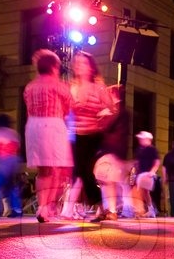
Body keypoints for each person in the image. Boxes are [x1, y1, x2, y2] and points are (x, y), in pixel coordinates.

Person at [61, 51, 116, 220]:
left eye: (83, 63)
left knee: (86, 171)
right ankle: (99, 206)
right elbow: (65, 111)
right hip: (78, 136)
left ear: (91, 67)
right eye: (77, 63)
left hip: (94, 135)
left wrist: (104, 114)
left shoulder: (98, 87)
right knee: (80, 173)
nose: (79, 66)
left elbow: (111, 109)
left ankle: (101, 205)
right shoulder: (72, 87)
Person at [23, 49, 73, 223]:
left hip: (33, 125)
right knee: (56, 169)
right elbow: (67, 109)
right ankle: (47, 207)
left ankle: (43, 206)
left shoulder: (30, 87)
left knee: (43, 170)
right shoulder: (59, 85)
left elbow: (29, 109)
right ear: (53, 66)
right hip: (53, 124)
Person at [91, 85, 130, 222]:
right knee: (105, 181)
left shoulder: (118, 112)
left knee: (107, 181)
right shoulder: (115, 111)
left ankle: (110, 210)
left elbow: (113, 133)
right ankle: (108, 210)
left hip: (111, 151)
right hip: (108, 151)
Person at [133, 131, 160, 218]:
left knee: (138, 191)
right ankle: (151, 210)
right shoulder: (139, 150)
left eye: (141, 138)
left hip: (147, 174)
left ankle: (140, 210)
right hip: (140, 175)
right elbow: (137, 163)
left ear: (147, 139)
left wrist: (152, 172)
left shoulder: (152, 149)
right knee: (145, 193)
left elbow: (157, 162)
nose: (140, 140)